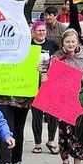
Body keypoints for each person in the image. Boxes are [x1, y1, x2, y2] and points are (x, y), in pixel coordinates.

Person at [52, 29, 83, 164]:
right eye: (67, 42)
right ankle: (65, 162)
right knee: (64, 134)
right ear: (63, 43)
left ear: (77, 42)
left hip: (79, 102)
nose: (70, 44)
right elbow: (50, 78)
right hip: (62, 102)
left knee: (78, 134)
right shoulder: (56, 58)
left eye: (73, 41)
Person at [30, 21, 59, 154]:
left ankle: (51, 141)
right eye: (39, 30)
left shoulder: (52, 44)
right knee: (37, 115)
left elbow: (60, 59)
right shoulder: (28, 45)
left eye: (43, 30)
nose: (41, 32)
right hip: (33, 83)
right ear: (33, 32)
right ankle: (37, 143)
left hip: (50, 83)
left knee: (52, 114)